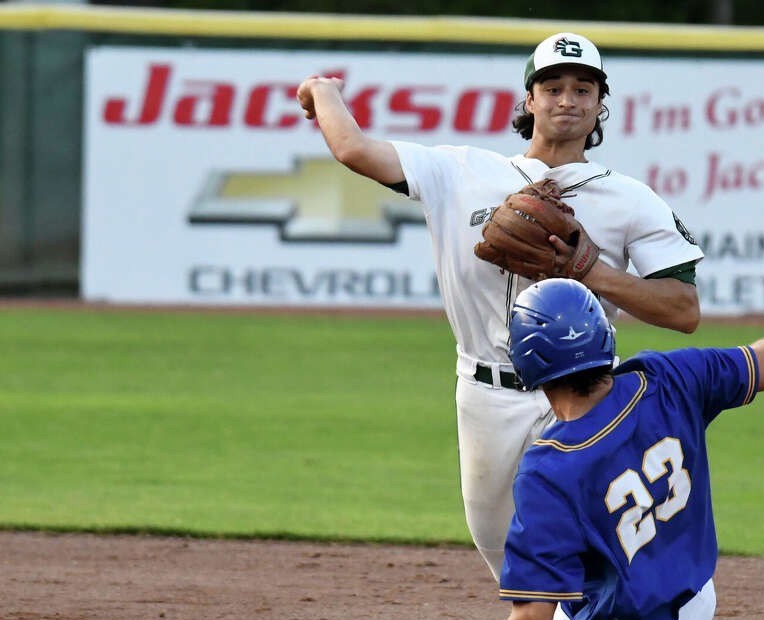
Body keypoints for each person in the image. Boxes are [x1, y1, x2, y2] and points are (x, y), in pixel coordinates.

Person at [297, 32, 704, 581]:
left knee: (600, 544)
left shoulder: (631, 198)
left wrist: (593, 272)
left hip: (583, 391)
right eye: (552, 87)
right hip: (486, 393)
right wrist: (322, 92)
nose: (568, 100)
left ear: (600, 104)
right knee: (505, 552)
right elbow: (354, 150)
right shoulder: (458, 172)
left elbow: (683, 310)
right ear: (529, 100)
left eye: (583, 89)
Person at [407, 279, 764, 620]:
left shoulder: (551, 468)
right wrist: (743, 360)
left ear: (528, 361)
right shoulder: (667, 377)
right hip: (698, 600)